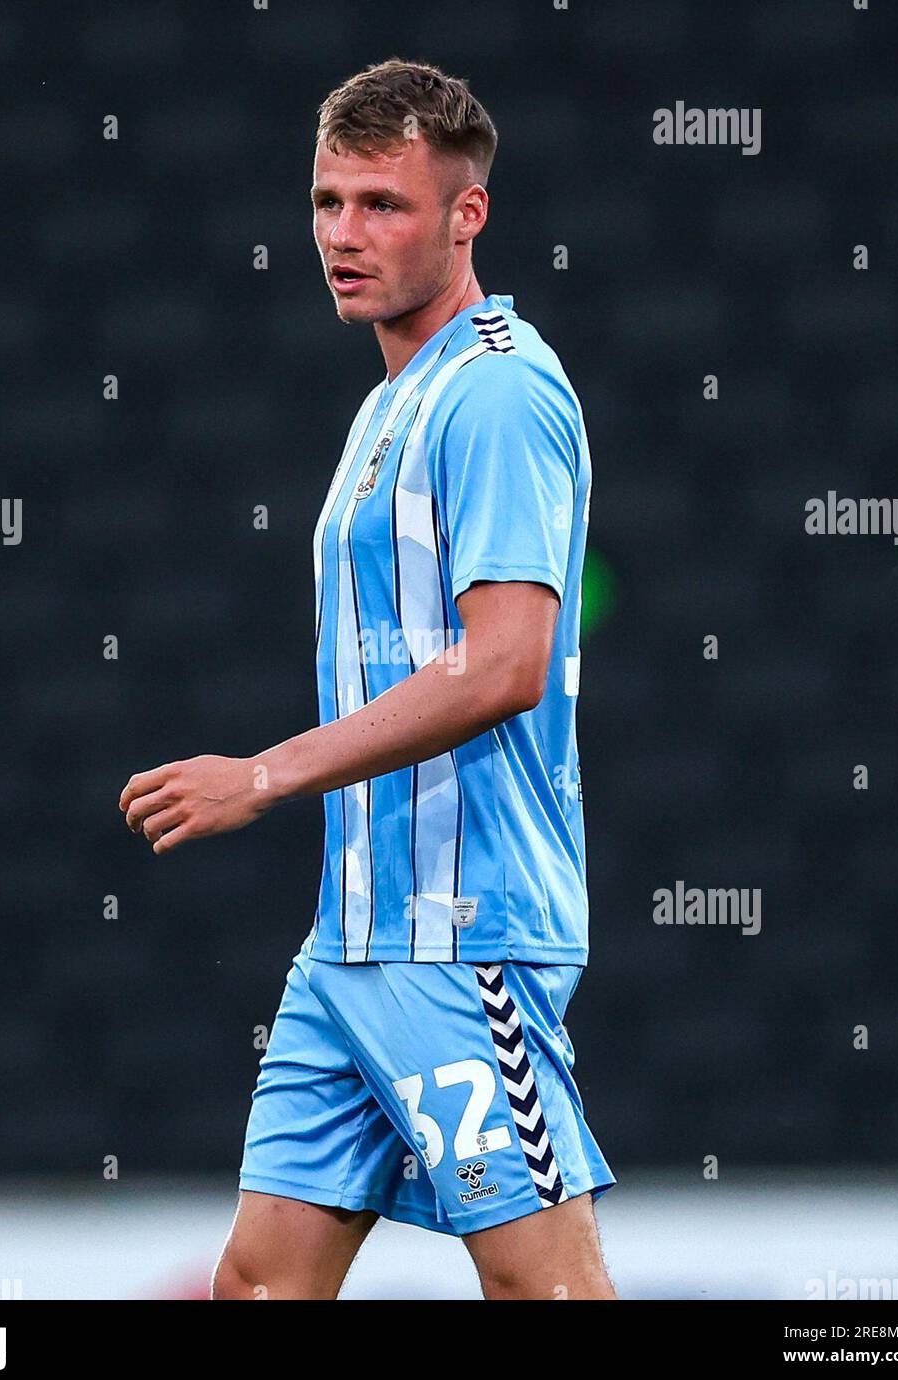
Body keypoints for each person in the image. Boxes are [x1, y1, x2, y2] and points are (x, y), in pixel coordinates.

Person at [119, 57, 617, 1300]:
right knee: (261, 1287)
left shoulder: (495, 392)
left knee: (543, 1290)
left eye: (383, 205)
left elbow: (504, 664)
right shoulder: (397, 396)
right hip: (352, 940)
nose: (344, 235)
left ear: (468, 214)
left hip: (465, 942)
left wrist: (266, 775)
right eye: (328, 202)